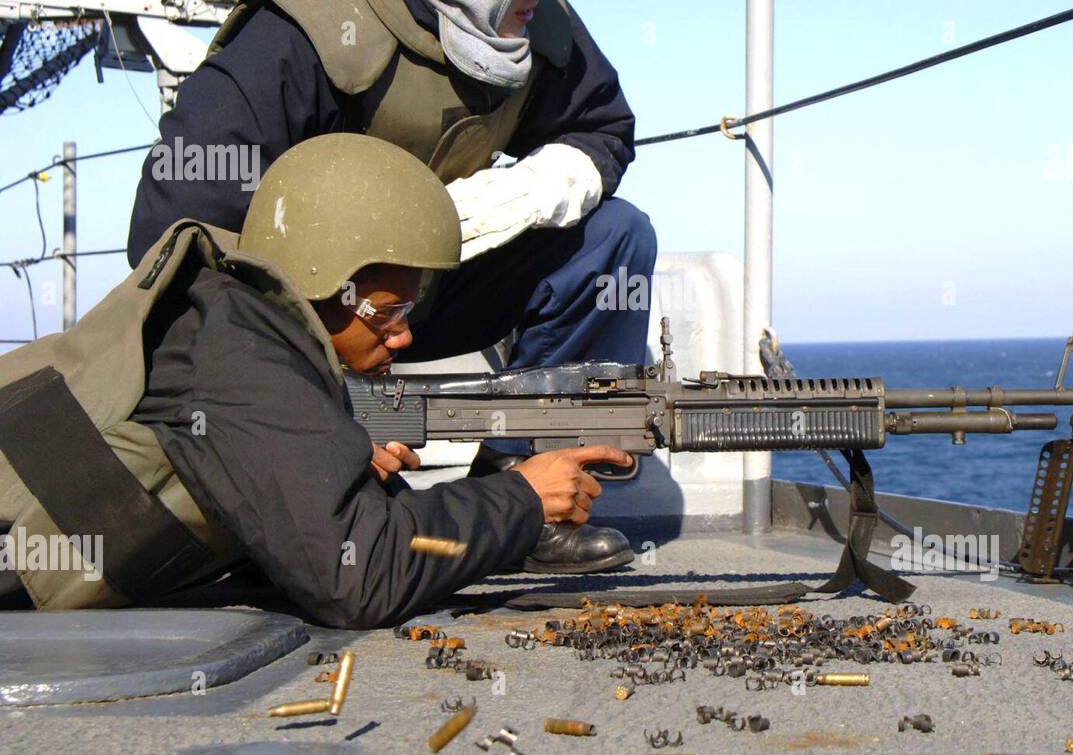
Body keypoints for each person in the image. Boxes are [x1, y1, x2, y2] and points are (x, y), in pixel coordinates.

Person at [124, 0, 656, 570]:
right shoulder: (297, 33)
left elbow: (601, 127)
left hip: (436, 290)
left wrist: (517, 195)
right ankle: (318, 490)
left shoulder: (532, 12)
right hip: (313, 318)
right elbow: (177, 231)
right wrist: (312, 407)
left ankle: (526, 491)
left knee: (614, 239)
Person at [0, 134, 633, 628]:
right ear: (322, 280)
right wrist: (521, 497)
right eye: (386, 314)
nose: (403, 337)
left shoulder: (238, 317)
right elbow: (356, 581)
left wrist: (334, 462)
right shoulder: (243, 359)